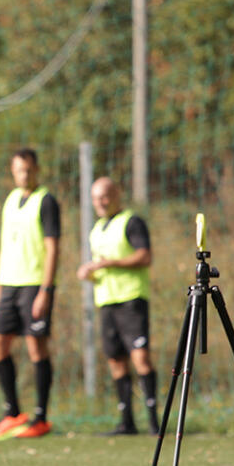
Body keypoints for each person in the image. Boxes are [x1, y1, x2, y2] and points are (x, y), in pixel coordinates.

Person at [0, 148, 61, 440]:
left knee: (36, 349)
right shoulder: (11, 201)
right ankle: (13, 414)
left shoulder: (46, 201)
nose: (23, 175)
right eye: (18, 170)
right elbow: (7, 247)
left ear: (37, 170)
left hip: (33, 285)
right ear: (12, 172)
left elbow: (53, 247)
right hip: (9, 286)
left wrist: (46, 290)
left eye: (28, 170)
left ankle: (40, 418)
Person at [77, 176, 159, 435]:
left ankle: (155, 421)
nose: (100, 202)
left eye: (105, 196)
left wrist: (110, 263)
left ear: (117, 194)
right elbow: (101, 264)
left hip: (131, 299)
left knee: (140, 358)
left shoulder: (131, 222)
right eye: (95, 198)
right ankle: (127, 421)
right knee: (115, 360)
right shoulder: (97, 229)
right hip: (107, 301)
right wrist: (90, 272)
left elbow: (144, 256)